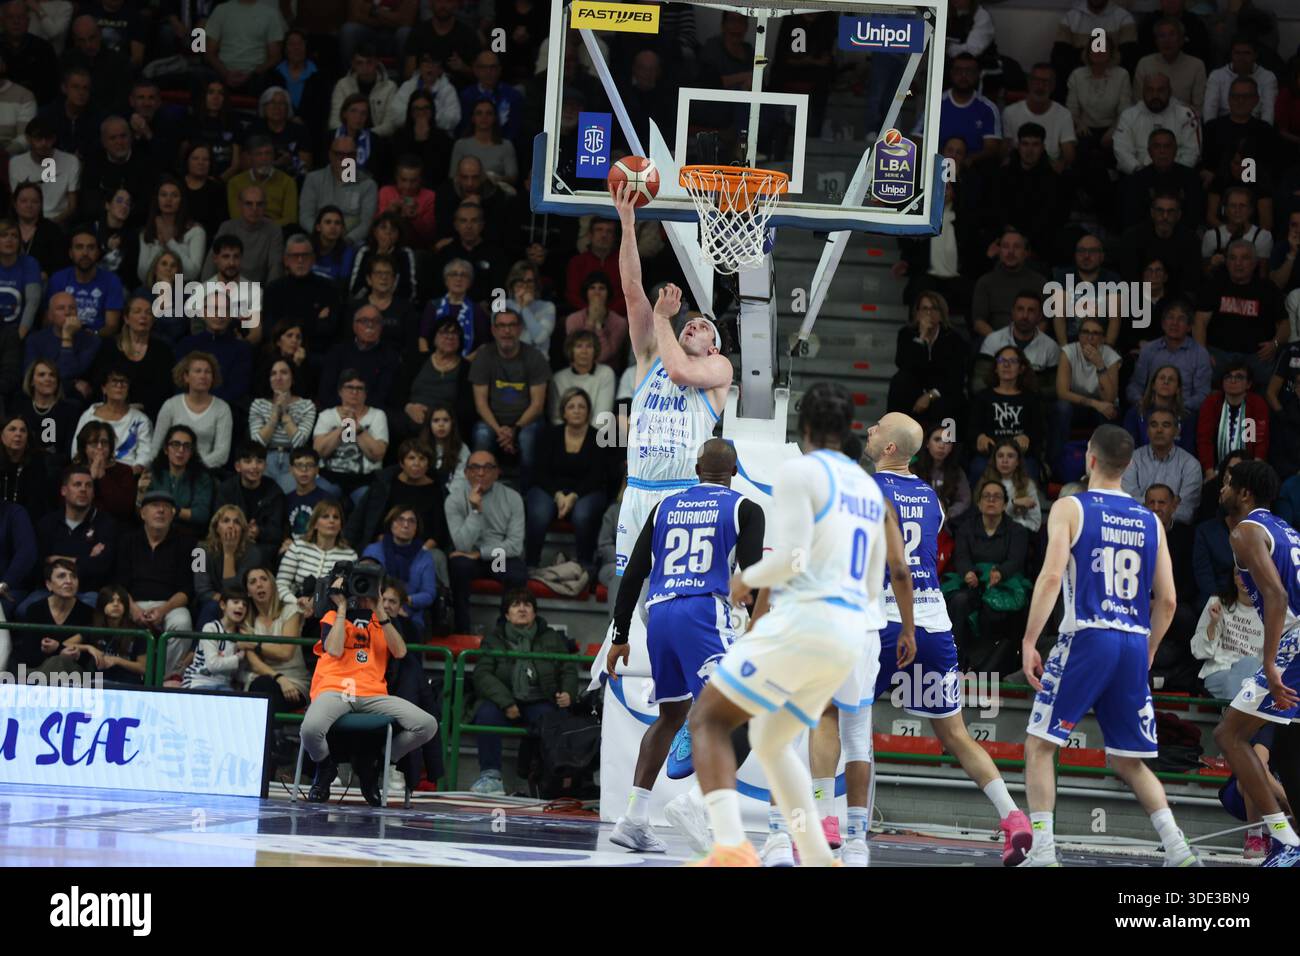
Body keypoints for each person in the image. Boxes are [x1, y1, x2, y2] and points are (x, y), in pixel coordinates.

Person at [683, 383, 910, 867]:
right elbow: (897, 569)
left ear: (803, 428)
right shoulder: (869, 488)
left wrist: (747, 578)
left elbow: (790, 558)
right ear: (849, 427)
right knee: (772, 737)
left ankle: (731, 846)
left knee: (708, 718)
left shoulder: (800, 472)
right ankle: (807, 850)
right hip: (856, 633)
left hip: (810, 619)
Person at [855, 414, 1033, 865]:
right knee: (955, 733)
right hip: (934, 624)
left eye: (877, 429)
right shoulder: (931, 499)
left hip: (883, 620)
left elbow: (878, 560)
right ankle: (1013, 817)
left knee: (838, 715)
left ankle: (835, 826)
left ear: (890, 449)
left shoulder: (866, 489)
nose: (869, 431)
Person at [1020, 424, 1199, 867]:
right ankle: (1178, 848)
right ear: (1131, 466)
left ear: (1090, 460)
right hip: (1134, 641)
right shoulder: (1152, 520)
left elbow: (1049, 577)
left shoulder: (1070, 507)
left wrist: (1028, 640)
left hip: (1088, 635)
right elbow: (1169, 600)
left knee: (1041, 744)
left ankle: (1043, 852)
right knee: (1128, 760)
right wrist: (1151, 649)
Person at [600, 438, 764, 852]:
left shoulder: (664, 507)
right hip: (702, 616)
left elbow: (633, 573)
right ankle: (696, 802)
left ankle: (634, 818)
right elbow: (753, 577)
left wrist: (619, 637)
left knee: (671, 714)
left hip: (660, 616)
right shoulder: (745, 508)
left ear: (695, 470)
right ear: (735, 470)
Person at [612, 186, 732, 581]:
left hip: (683, 493)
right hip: (638, 489)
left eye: (703, 328)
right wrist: (628, 225)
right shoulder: (650, 356)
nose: (692, 325)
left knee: (674, 586)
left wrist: (665, 320)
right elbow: (632, 291)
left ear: (714, 349)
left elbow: (681, 372)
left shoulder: (719, 373)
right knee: (631, 589)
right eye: (689, 323)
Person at [1212, 460, 1300, 864]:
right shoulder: (1286, 530)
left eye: (1228, 483)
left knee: (1229, 735)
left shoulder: (1245, 531)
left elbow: (1278, 597)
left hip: (1294, 640)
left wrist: (1269, 662)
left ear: (1244, 493)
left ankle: (1285, 842)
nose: (1221, 488)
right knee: (1288, 750)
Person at [301, 561, 439, 807]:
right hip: (335, 691)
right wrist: (342, 607)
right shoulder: (332, 616)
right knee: (310, 729)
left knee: (426, 725)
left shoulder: (381, 622)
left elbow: (400, 652)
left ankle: (376, 763)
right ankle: (325, 767)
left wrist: (379, 609)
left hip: (373, 694)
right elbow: (332, 649)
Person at [468, 588, 577, 795]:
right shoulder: (494, 638)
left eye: (527, 605)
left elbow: (568, 668)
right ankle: (490, 777)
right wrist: (507, 702)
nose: (522, 609)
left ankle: (544, 779)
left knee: (550, 719)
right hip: (504, 700)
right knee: (486, 714)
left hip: (540, 698)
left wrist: (568, 692)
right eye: (516, 605)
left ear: (535, 612)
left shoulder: (552, 638)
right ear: (507, 614)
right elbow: (482, 674)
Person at [526, 388, 611, 573]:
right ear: (563, 412)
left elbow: (598, 476)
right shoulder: (549, 435)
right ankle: (531, 564)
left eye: (582, 406)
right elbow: (539, 472)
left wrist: (574, 496)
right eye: (571, 406)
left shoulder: (599, 438)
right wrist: (557, 495)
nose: (577, 410)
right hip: (550, 489)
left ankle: (585, 565)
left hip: (587, 491)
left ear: (589, 411)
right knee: (539, 513)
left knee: (583, 515)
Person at [116, 488, 195, 678]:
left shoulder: (190, 543)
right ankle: (127, 676)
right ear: (143, 513)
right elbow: (118, 583)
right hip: (133, 601)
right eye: (154, 506)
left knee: (182, 622)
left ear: (173, 513)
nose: (160, 511)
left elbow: (189, 588)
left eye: (166, 507)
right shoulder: (126, 540)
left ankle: (164, 678)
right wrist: (133, 608)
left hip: (169, 604)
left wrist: (163, 610)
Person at [445, 449, 526, 632]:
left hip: (498, 556)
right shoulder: (454, 500)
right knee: (459, 566)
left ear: (498, 472)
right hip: (469, 557)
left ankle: (505, 632)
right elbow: (462, 545)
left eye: (488, 468)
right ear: (466, 473)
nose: (481, 473)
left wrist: (480, 554)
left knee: (516, 574)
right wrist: (475, 511)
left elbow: (515, 545)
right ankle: (462, 630)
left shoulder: (512, 498)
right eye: (475, 468)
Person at [467, 308, 549, 489]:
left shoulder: (534, 357)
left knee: (528, 440)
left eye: (512, 325)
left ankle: (527, 494)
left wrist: (515, 429)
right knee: (481, 435)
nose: (507, 331)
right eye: (501, 326)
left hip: (526, 422)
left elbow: (537, 405)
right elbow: (480, 404)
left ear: (520, 329)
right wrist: (500, 431)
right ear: (493, 330)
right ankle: (479, 490)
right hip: (492, 421)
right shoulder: (484, 356)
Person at [87, 294, 176, 420]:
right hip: (111, 410)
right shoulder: (109, 347)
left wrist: (141, 407)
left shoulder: (162, 351)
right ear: (126, 318)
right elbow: (98, 381)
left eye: (148, 313)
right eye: (137, 312)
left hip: (149, 413)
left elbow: (165, 389)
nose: (143, 316)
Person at [887, 291, 968, 428]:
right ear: (917, 313)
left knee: (953, 400)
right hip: (913, 388)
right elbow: (904, 365)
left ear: (942, 314)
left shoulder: (954, 339)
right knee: (899, 381)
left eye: (934, 309)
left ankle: (946, 444)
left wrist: (930, 396)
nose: (929, 313)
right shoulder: (906, 334)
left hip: (941, 391)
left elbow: (955, 376)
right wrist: (921, 337)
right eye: (925, 308)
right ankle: (894, 435)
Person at [968, 345, 1045, 484]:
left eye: (1013, 361)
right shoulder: (983, 397)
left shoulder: (1031, 398)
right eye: (1001, 360)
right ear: (995, 368)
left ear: (1021, 368)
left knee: (1030, 469)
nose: (1006, 364)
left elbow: (1039, 431)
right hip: (990, 454)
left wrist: (1027, 437)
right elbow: (972, 428)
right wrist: (980, 437)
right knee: (978, 468)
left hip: (1021, 455)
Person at [239, 565, 307, 720]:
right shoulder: (247, 623)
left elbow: (286, 652)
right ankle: (276, 742)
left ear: (272, 584)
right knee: (262, 687)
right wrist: (279, 678)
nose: (259, 584)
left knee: (261, 698)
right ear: (248, 592)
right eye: (253, 581)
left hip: (295, 682)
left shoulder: (291, 611)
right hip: (268, 679)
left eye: (264, 579)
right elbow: (255, 664)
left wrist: (256, 644)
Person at [312, 369, 390, 500]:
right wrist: (343, 427)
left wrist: (357, 428)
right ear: (340, 391)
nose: (355, 392)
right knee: (323, 494)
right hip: (330, 476)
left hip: (365, 479)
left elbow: (377, 455)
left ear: (366, 394)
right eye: (350, 387)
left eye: (360, 388)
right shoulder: (327, 415)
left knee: (367, 498)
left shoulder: (377, 415)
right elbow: (319, 452)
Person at [153, 352, 234, 471]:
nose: (203, 376)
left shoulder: (222, 408)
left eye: (208, 372)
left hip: (206, 471)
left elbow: (222, 453)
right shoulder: (171, 405)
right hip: (170, 471)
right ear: (186, 376)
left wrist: (193, 467)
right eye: (198, 371)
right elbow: (156, 446)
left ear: (213, 378)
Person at [361, 506, 437, 633]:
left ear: (416, 527)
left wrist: (400, 603)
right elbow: (364, 585)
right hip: (374, 611)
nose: (406, 524)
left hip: (410, 615)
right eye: (400, 519)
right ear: (391, 523)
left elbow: (429, 594)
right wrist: (386, 605)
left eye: (411, 521)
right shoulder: (373, 551)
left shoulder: (425, 557)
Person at [1193, 571, 1266, 700]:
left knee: (1249, 667)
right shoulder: (1217, 602)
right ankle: (1236, 716)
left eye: (1251, 573)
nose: (1245, 579)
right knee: (1244, 681)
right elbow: (1200, 652)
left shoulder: (1271, 612)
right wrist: (1213, 623)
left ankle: (1229, 716)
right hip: (1218, 673)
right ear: (1233, 578)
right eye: (1240, 574)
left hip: (1253, 677)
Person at [249, 359, 317, 493]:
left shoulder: (306, 405)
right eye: (273, 374)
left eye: (284, 373)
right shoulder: (258, 404)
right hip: (265, 458)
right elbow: (257, 444)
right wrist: (274, 415)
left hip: (294, 459)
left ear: (293, 378)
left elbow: (299, 443)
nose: (278, 377)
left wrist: (285, 414)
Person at [137, 424, 214, 539]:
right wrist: (140, 493)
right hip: (154, 533)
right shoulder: (152, 473)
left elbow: (201, 515)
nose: (181, 450)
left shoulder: (202, 478)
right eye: (176, 444)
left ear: (192, 452)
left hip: (188, 535)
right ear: (166, 449)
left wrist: (174, 511)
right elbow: (141, 513)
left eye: (187, 446)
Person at [400, 319, 474, 439]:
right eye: (444, 332)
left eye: (455, 333)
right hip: (411, 415)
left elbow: (467, 408)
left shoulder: (467, 368)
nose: (450, 337)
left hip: (443, 421)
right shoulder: (416, 361)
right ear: (434, 338)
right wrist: (408, 407)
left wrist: (435, 415)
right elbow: (397, 393)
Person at [46, 228, 124, 338]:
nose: (85, 253)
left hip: (97, 341)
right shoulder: (58, 279)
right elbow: (48, 320)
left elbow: (111, 326)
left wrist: (91, 336)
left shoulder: (112, 281)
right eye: (79, 247)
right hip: (60, 337)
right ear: (70, 253)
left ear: (97, 253)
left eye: (91, 248)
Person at [26, 291, 100, 401]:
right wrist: (72, 383)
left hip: (76, 401)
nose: (67, 312)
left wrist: (67, 338)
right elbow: (29, 377)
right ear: (50, 316)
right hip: (41, 397)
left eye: (72, 308)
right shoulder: (35, 340)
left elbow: (68, 372)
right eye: (61, 308)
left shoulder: (90, 340)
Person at [71, 370, 152, 471]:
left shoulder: (141, 420)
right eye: (114, 381)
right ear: (104, 388)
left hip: (127, 476)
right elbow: (76, 450)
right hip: (90, 473)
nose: (119, 385)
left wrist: (131, 473)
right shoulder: (88, 415)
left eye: (124, 382)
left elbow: (145, 454)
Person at [214, 442, 285, 556]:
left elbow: (277, 531)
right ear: (238, 466)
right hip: (229, 541)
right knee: (202, 549)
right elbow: (217, 522)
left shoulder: (274, 491)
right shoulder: (226, 489)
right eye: (248, 461)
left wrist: (258, 531)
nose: (254, 466)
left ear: (265, 466)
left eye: (259, 462)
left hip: (262, 547)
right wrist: (241, 532)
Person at [15, 359, 81, 465]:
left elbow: (70, 450)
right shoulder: (20, 407)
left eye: (52, 375)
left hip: (58, 469)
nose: (48, 379)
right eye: (42, 375)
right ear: (31, 381)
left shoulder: (70, 410)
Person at [181, 585, 249, 689]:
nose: (241, 606)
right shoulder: (211, 628)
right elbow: (213, 664)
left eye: (244, 604)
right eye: (235, 602)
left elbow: (236, 674)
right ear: (222, 605)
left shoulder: (241, 636)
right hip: (199, 681)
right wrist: (239, 657)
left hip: (223, 685)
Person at [418, 260, 489, 356]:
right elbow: (423, 338)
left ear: (469, 282)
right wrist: (431, 363)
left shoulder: (477, 310)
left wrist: (464, 363)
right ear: (446, 280)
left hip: (467, 365)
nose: (458, 279)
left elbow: (484, 345)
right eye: (454, 274)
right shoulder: (433, 306)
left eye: (464, 275)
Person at [71, 420, 137, 524]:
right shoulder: (73, 472)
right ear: (84, 447)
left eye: (104, 442)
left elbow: (124, 509)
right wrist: (90, 478)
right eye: (93, 443)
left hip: (116, 527)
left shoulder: (124, 471)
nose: (100, 447)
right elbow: (71, 506)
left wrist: (103, 477)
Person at [1123, 364, 1197, 455]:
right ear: (1153, 385)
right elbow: (1130, 448)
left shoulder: (1187, 417)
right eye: (1162, 378)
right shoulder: (1135, 413)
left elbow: (1187, 451)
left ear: (1178, 389)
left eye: (1171, 379)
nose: (1166, 382)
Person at [981, 440, 1044, 534]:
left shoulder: (1028, 485)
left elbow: (1035, 524)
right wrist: (1014, 503)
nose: (1005, 461)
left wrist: (1014, 525)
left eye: (1010, 456)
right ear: (995, 460)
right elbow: (983, 518)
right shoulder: (986, 483)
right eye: (1000, 456)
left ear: (1017, 461)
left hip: (1016, 536)